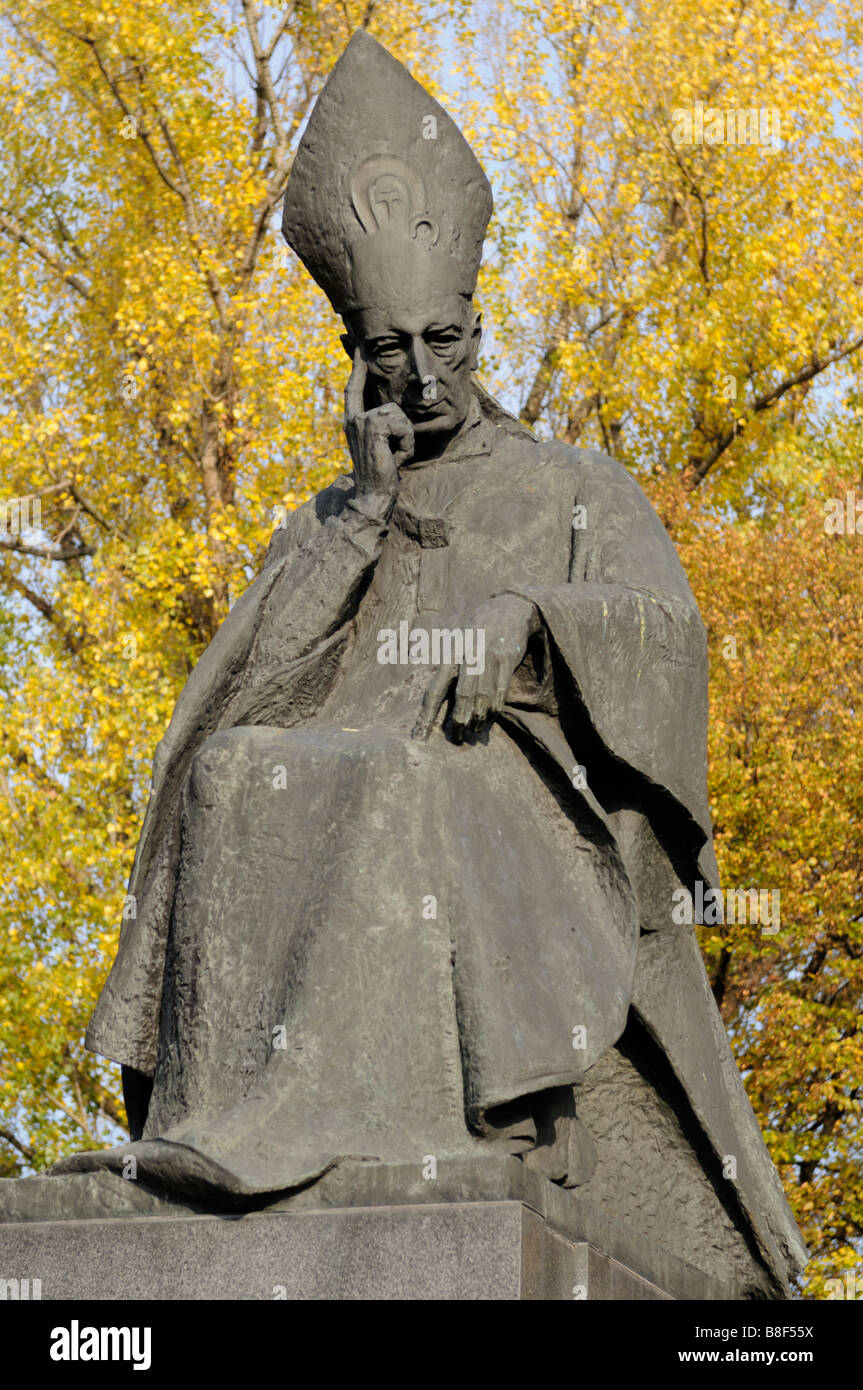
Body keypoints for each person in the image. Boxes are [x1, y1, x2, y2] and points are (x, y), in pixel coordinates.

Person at [60, 31, 805, 1297]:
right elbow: (228, 709)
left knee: (400, 788)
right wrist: (359, 517)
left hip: (508, 811)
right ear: (353, 349)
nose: (420, 375)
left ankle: (414, 1117)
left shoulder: (571, 485)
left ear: (479, 317)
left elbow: (666, 640)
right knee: (245, 775)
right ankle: (243, 1135)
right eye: (387, 348)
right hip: (346, 782)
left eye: (445, 341)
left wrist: (533, 620)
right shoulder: (333, 509)